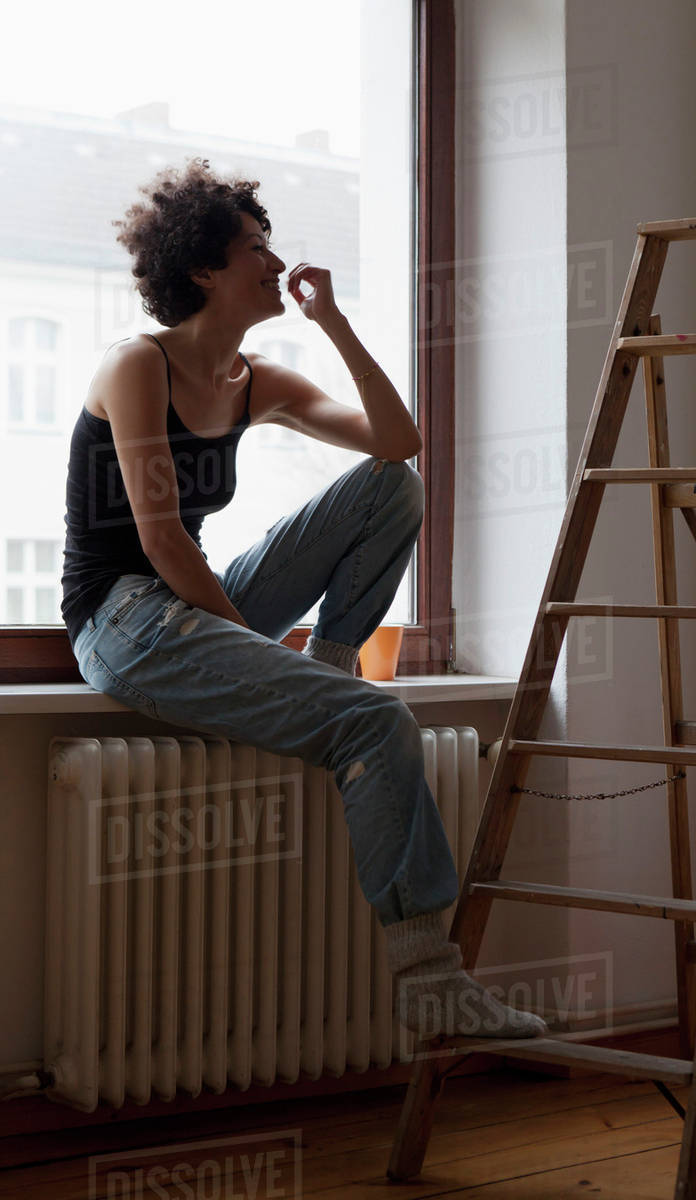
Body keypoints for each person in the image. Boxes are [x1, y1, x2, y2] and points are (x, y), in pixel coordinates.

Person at [61, 157, 547, 1042]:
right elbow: (163, 542)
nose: (276, 261)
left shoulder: (255, 381)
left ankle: (331, 664)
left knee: (391, 487)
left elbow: (398, 442)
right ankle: (431, 983)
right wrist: (256, 648)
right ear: (203, 269)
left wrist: (336, 325)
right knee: (377, 720)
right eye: (255, 246)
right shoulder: (138, 366)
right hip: (123, 621)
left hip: (192, 606)